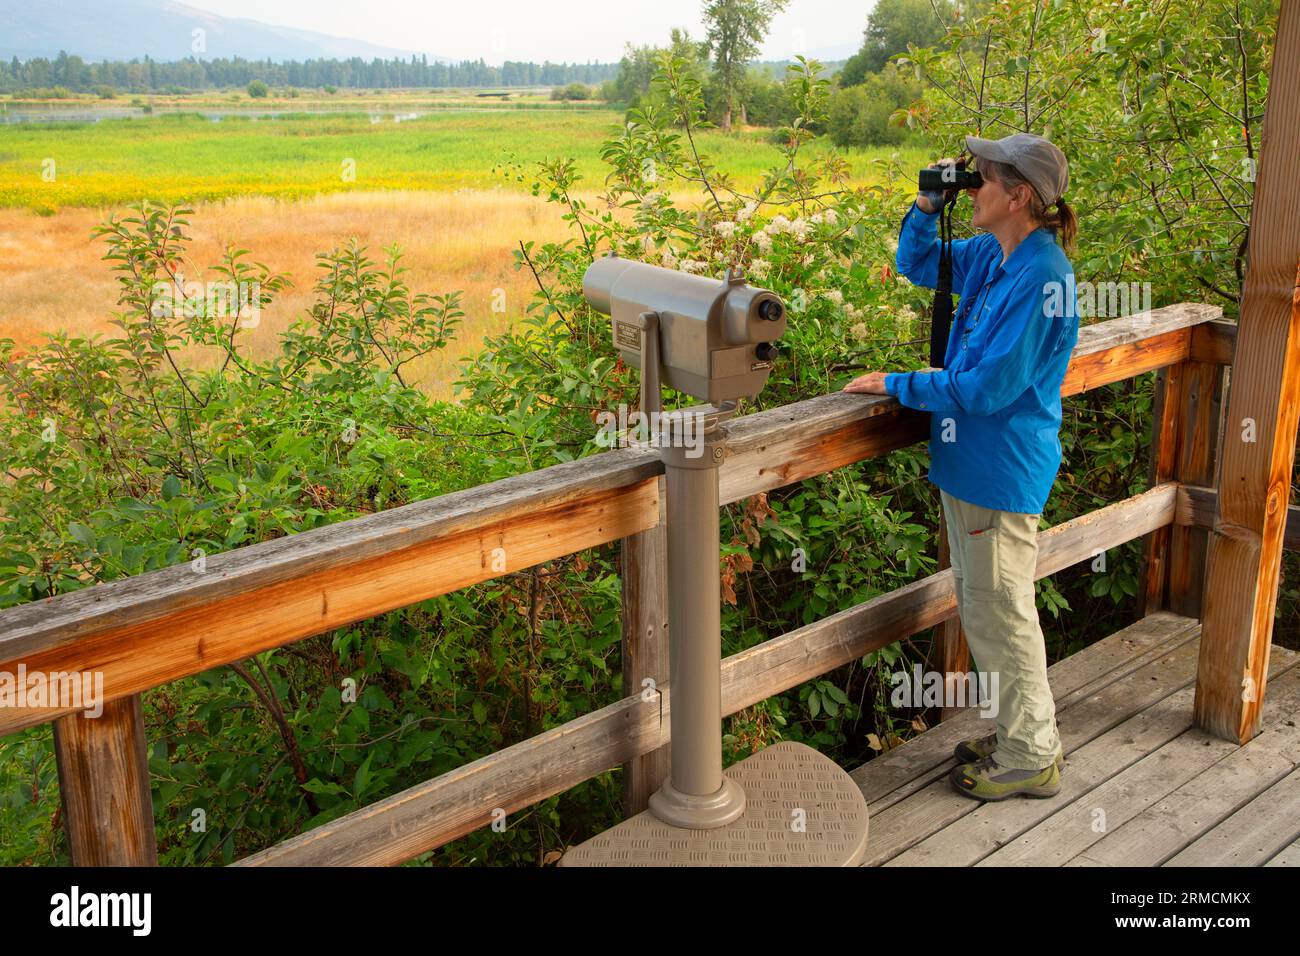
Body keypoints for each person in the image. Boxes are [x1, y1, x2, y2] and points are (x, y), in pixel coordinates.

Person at [842, 132, 1079, 801]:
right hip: (974, 467)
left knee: (1002, 615)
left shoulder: (1041, 278)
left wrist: (898, 382)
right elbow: (918, 264)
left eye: (982, 178)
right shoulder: (994, 256)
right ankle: (1017, 738)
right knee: (986, 609)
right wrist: (925, 203)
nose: (971, 187)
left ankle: (1031, 754)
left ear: (1019, 195)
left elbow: (984, 389)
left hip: (998, 471)